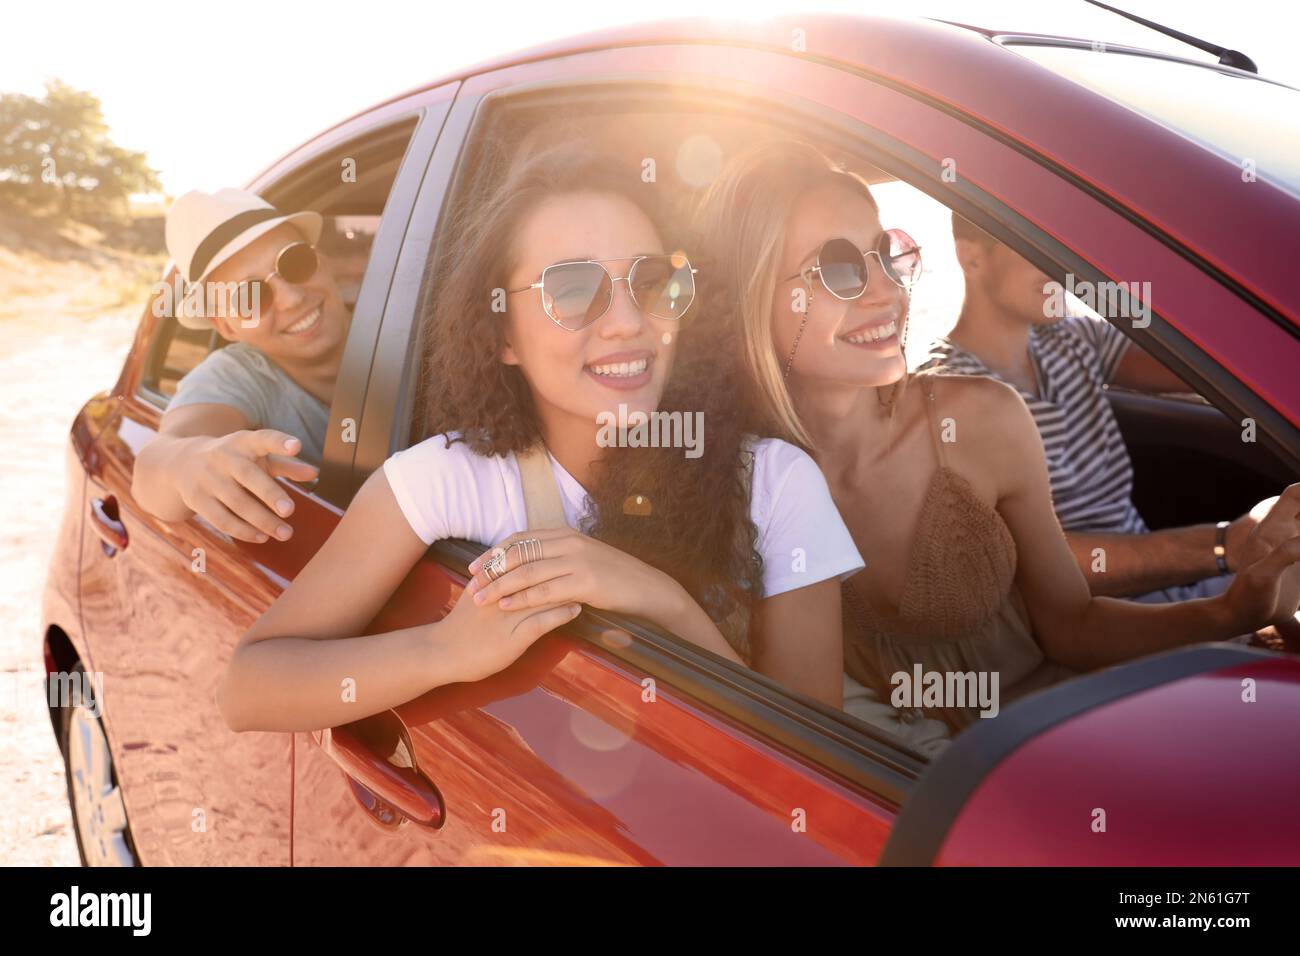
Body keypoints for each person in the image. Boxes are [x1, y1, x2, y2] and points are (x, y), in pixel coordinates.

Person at [217, 137, 864, 734]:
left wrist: (665, 603)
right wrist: (443, 650)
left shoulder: (776, 482)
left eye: (651, 282)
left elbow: (815, 768)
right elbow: (249, 688)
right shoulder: (451, 478)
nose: (626, 323)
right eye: (574, 288)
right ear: (500, 333)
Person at [690, 139, 1300, 748]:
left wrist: (1232, 613)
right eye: (840, 268)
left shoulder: (978, 420)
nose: (885, 291)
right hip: (893, 781)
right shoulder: (733, 476)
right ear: (752, 296)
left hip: (1063, 731)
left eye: (886, 254)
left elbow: (1072, 630)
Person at [922, 214, 1276, 603]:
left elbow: (1216, 365)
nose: (1065, 263)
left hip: (1174, 589)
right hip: (1099, 623)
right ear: (971, 258)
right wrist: (1224, 546)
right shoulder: (948, 395)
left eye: (1071, 246)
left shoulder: (1073, 338)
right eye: (1041, 243)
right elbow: (1034, 566)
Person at [132, 188, 350, 543]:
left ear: (322, 259)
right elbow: (154, 465)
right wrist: (188, 461)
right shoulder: (237, 375)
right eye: (250, 297)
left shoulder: (417, 326)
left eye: (295, 263)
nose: (292, 299)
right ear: (226, 326)